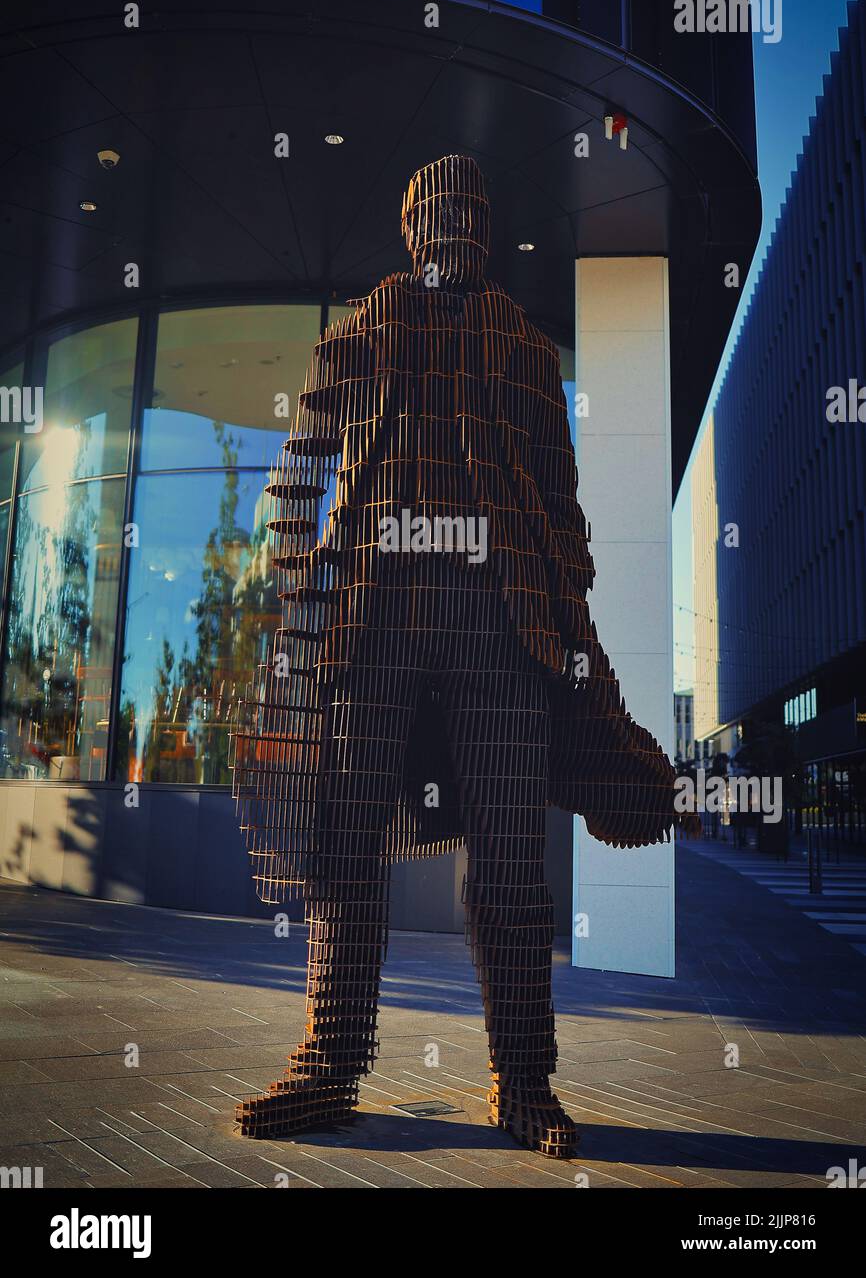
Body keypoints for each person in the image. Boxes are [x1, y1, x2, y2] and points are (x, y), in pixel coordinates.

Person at [232, 154, 690, 1159]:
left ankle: (522, 1082)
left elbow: (560, 505)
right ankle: (326, 1063)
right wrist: (292, 601)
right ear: (412, 227)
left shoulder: (525, 352)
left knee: (511, 866)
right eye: (445, 209)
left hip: (500, 626)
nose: (461, 224)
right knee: (342, 847)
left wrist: (568, 626)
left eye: (476, 209)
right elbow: (295, 482)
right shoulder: (348, 342)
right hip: (371, 618)